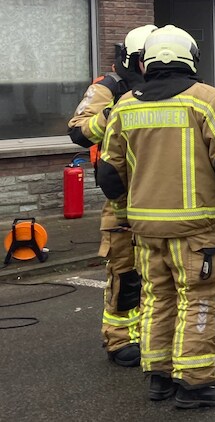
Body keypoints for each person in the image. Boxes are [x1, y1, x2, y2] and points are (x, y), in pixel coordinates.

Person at [97, 25, 215, 409]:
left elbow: (108, 173)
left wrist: (123, 212)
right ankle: (197, 383)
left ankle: (160, 378)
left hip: (144, 229)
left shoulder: (125, 107)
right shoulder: (207, 101)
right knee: (198, 299)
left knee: (156, 298)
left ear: (146, 62)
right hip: (194, 228)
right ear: (191, 57)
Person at [66, 23, 156, 368]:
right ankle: (119, 340)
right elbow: (78, 131)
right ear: (134, 60)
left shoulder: (168, 85)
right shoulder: (109, 87)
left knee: (161, 272)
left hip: (161, 191)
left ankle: (156, 334)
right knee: (125, 272)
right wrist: (113, 115)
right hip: (122, 193)